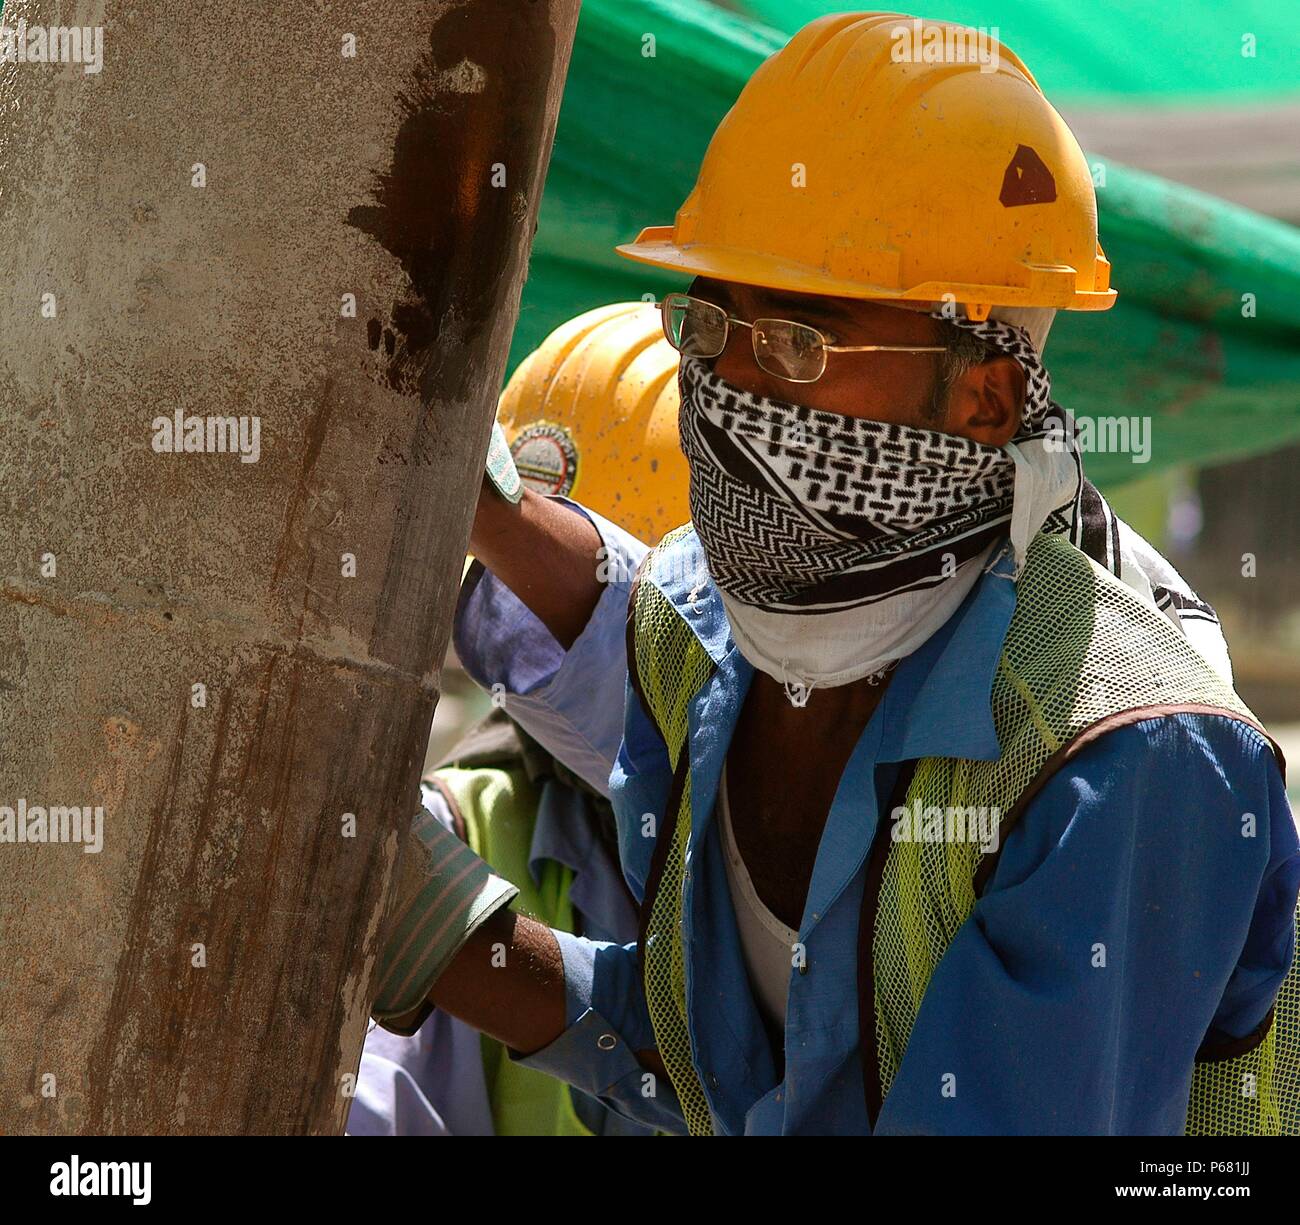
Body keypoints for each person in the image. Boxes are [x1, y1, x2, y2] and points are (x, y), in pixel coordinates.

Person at [368, 13, 1300, 1136]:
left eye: (802, 344)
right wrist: (442, 928)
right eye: (710, 325)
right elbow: (761, 1069)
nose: (732, 388)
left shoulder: (1123, 758)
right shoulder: (730, 642)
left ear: (984, 398)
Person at [350, 306, 688, 1136]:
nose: (543, 665)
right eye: (511, 613)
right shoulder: (459, 830)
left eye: (572, 616)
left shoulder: (838, 848)